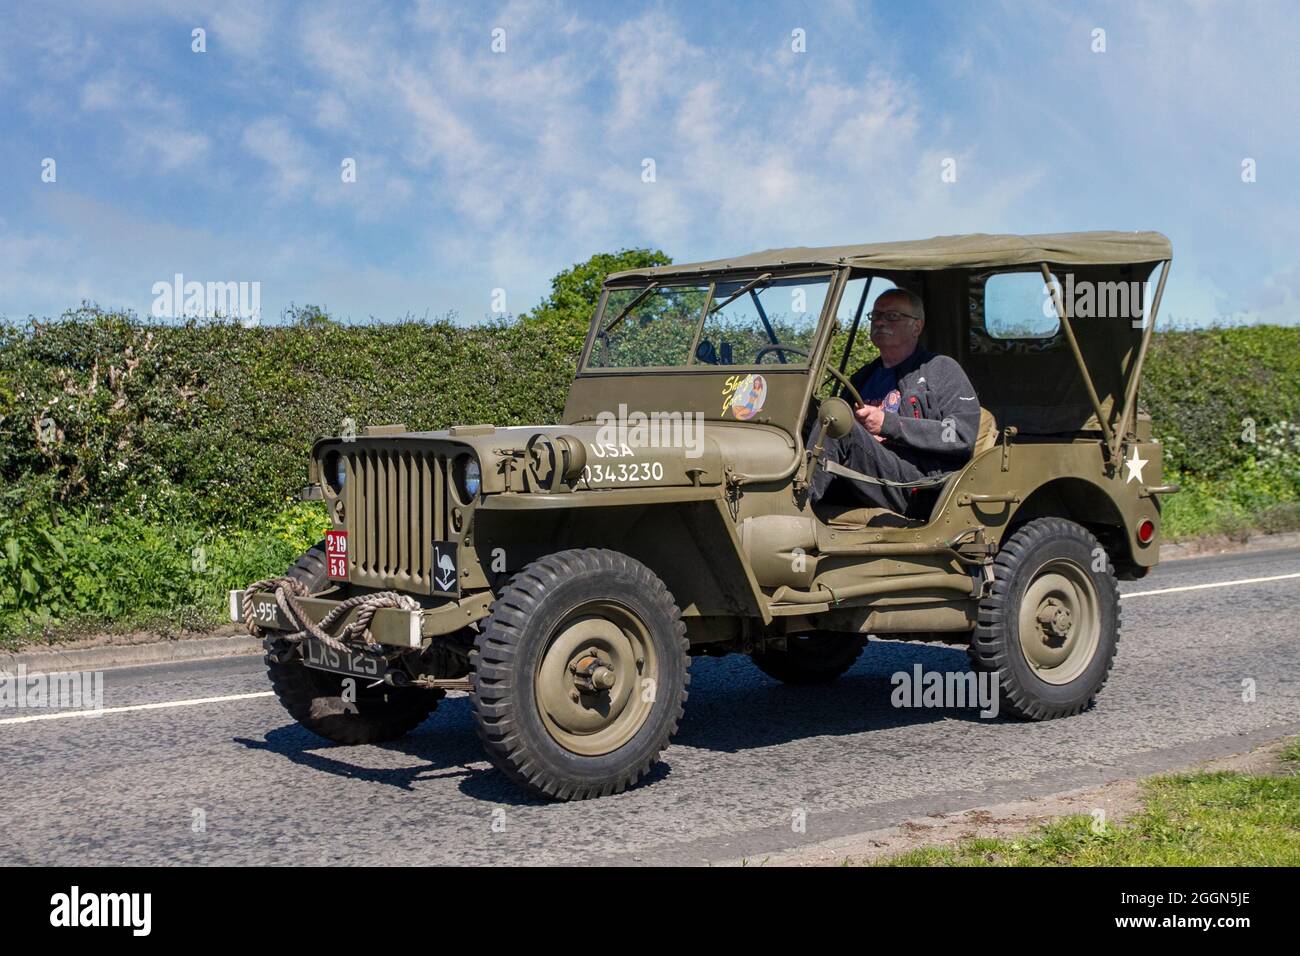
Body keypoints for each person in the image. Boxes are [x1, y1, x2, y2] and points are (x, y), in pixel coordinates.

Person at [809, 288, 981, 516]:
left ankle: (796, 505)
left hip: (918, 486)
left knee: (837, 423)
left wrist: (888, 424)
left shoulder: (941, 369)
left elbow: (960, 436)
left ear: (917, 326)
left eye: (892, 316)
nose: (880, 322)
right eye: (876, 316)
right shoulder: (863, 376)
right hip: (864, 476)